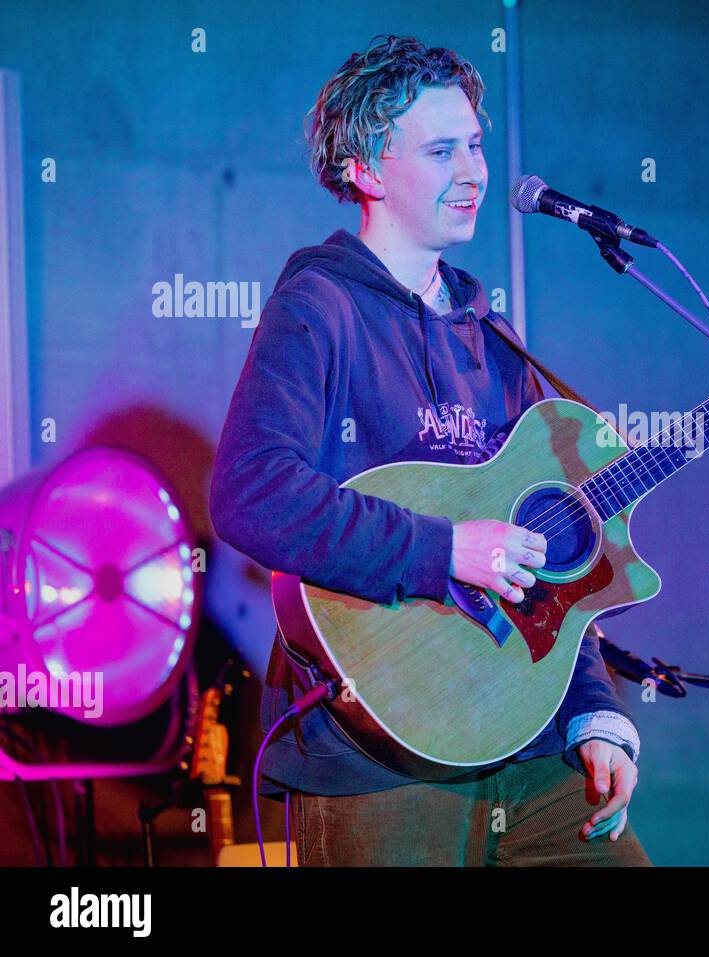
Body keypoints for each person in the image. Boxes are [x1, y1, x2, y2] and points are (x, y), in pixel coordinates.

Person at [209, 35, 649, 866]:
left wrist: (595, 712)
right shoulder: (319, 308)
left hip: (527, 748)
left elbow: (556, 558)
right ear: (368, 171)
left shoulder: (494, 339)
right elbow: (250, 491)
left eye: (476, 145)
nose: (475, 171)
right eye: (443, 150)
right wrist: (446, 548)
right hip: (380, 756)